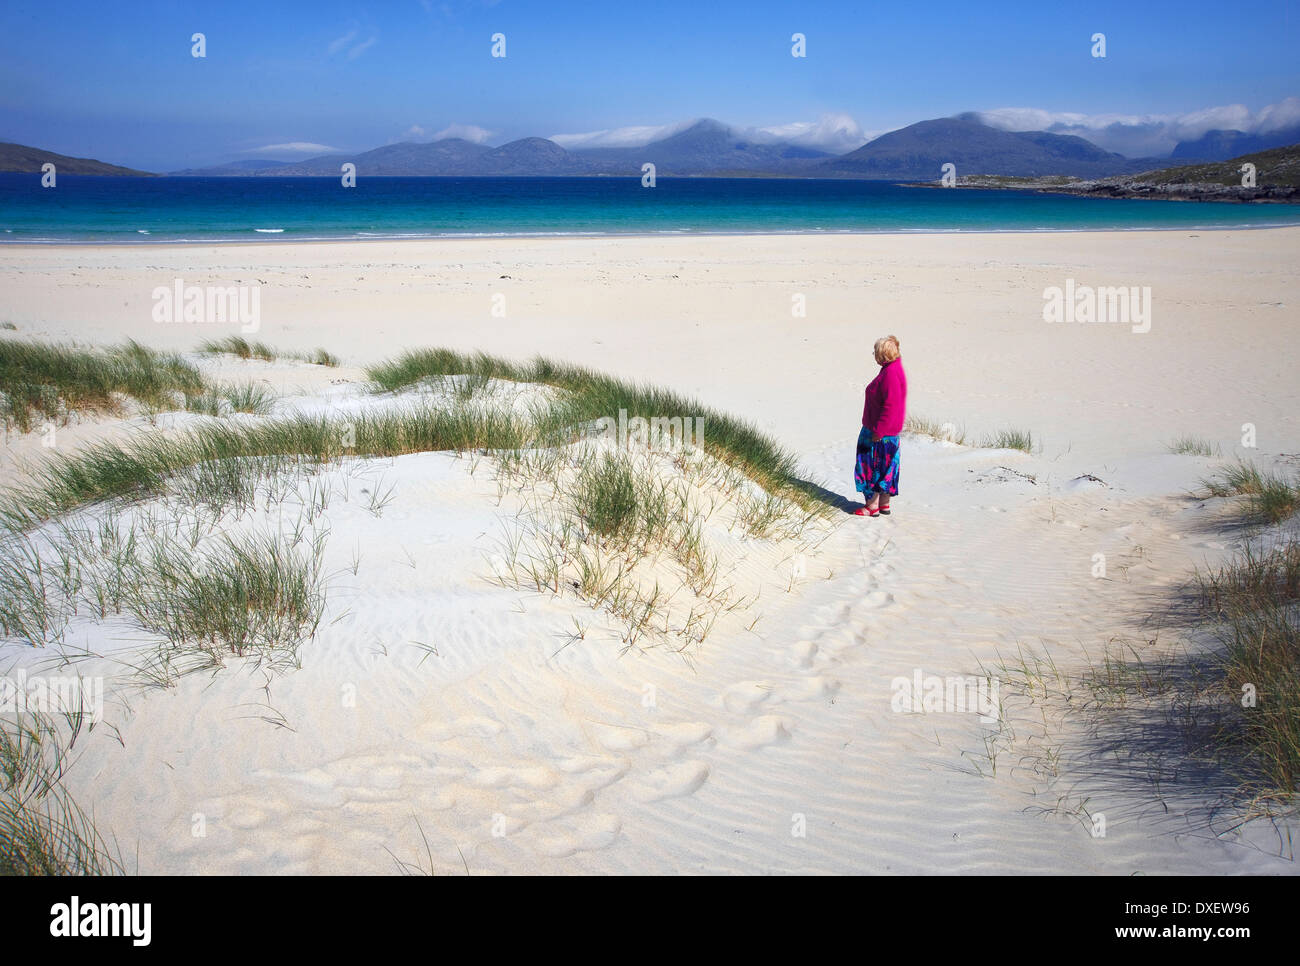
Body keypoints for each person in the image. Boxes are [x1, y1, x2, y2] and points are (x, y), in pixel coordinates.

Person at [854, 335, 906, 517]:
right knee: (886, 467)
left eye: (875, 352)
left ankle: (872, 506)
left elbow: (891, 406)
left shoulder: (890, 374)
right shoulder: (893, 368)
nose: (874, 355)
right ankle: (884, 504)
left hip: (880, 432)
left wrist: (879, 431)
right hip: (887, 432)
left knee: (870, 466)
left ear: (882, 356)